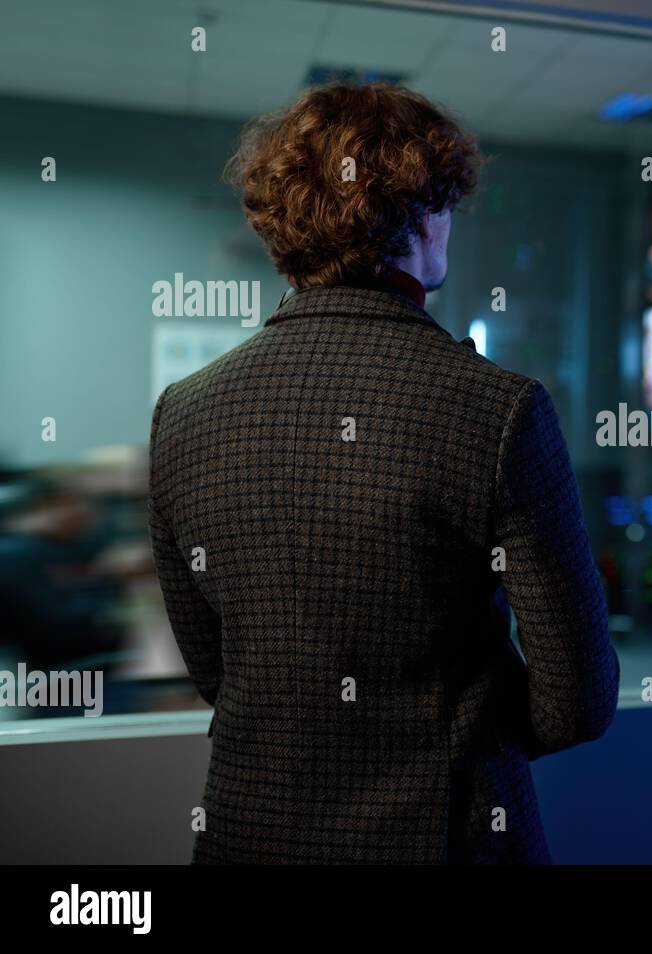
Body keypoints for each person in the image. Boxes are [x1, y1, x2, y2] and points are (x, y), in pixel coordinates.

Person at [147, 83, 620, 864]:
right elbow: (578, 702)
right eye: (448, 208)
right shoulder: (499, 410)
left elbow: (215, 672)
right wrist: (459, 739)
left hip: (247, 841)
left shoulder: (185, 412)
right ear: (423, 220)